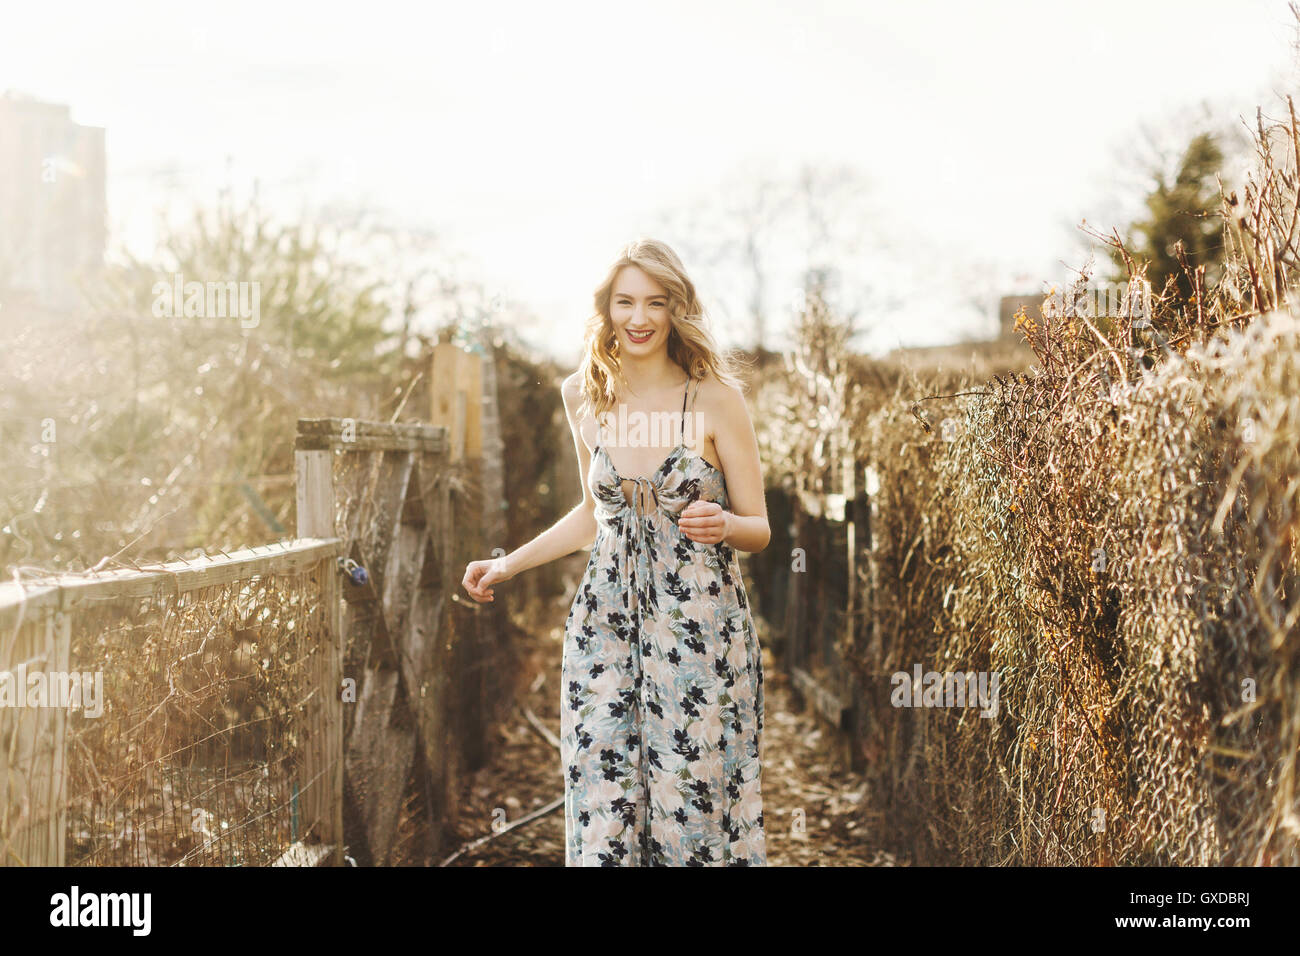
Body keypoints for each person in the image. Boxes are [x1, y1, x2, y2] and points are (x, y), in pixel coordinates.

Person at [462, 237, 769, 866]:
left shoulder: (714, 398)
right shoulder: (584, 394)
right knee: (605, 808)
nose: (639, 318)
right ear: (606, 308)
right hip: (604, 624)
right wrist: (507, 563)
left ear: (676, 309)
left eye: (655, 303)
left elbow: (760, 526)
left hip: (697, 632)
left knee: (693, 811)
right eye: (624, 302)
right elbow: (590, 516)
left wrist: (724, 524)